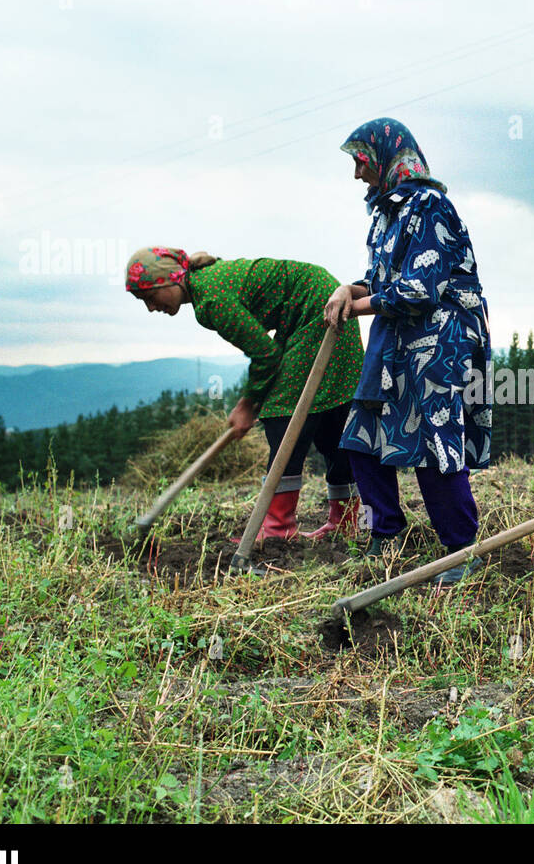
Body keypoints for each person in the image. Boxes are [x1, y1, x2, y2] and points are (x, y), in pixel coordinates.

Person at [323, 117, 492, 586]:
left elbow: (420, 287)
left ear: (384, 154)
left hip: (440, 335)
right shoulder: (386, 211)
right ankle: (387, 534)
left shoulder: (431, 204)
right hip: (395, 336)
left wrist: (358, 306)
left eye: (360, 162)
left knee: (435, 440)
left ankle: (460, 551)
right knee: (362, 434)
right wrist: (347, 289)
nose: (357, 174)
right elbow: (382, 279)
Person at [125, 247, 364, 540]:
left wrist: (248, 404)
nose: (150, 307)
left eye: (150, 296)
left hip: (321, 311)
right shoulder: (207, 284)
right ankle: (343, 522)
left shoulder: (211, 299)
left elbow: (265, 354)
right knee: (330, 416)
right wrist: (250, 401)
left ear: (170, 280)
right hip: (324, 306)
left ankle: (278, 529)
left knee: (283, 415)